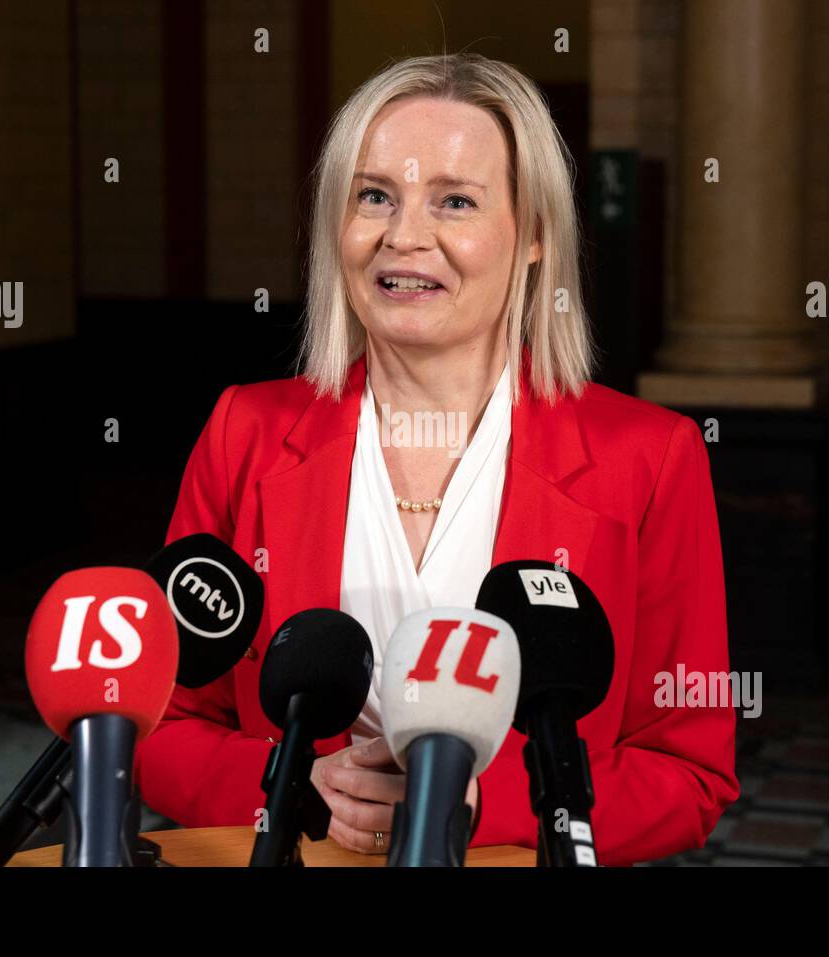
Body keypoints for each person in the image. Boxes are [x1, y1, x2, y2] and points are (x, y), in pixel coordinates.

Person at [135, 53, 738, 865]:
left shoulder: (650, 457)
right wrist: (294, 782)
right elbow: (158, 723)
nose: (404, 235)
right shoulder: (244, 429)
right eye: (374, 195)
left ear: (531, 236)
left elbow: (688, 773)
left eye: (455, 200)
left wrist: (483, 801)